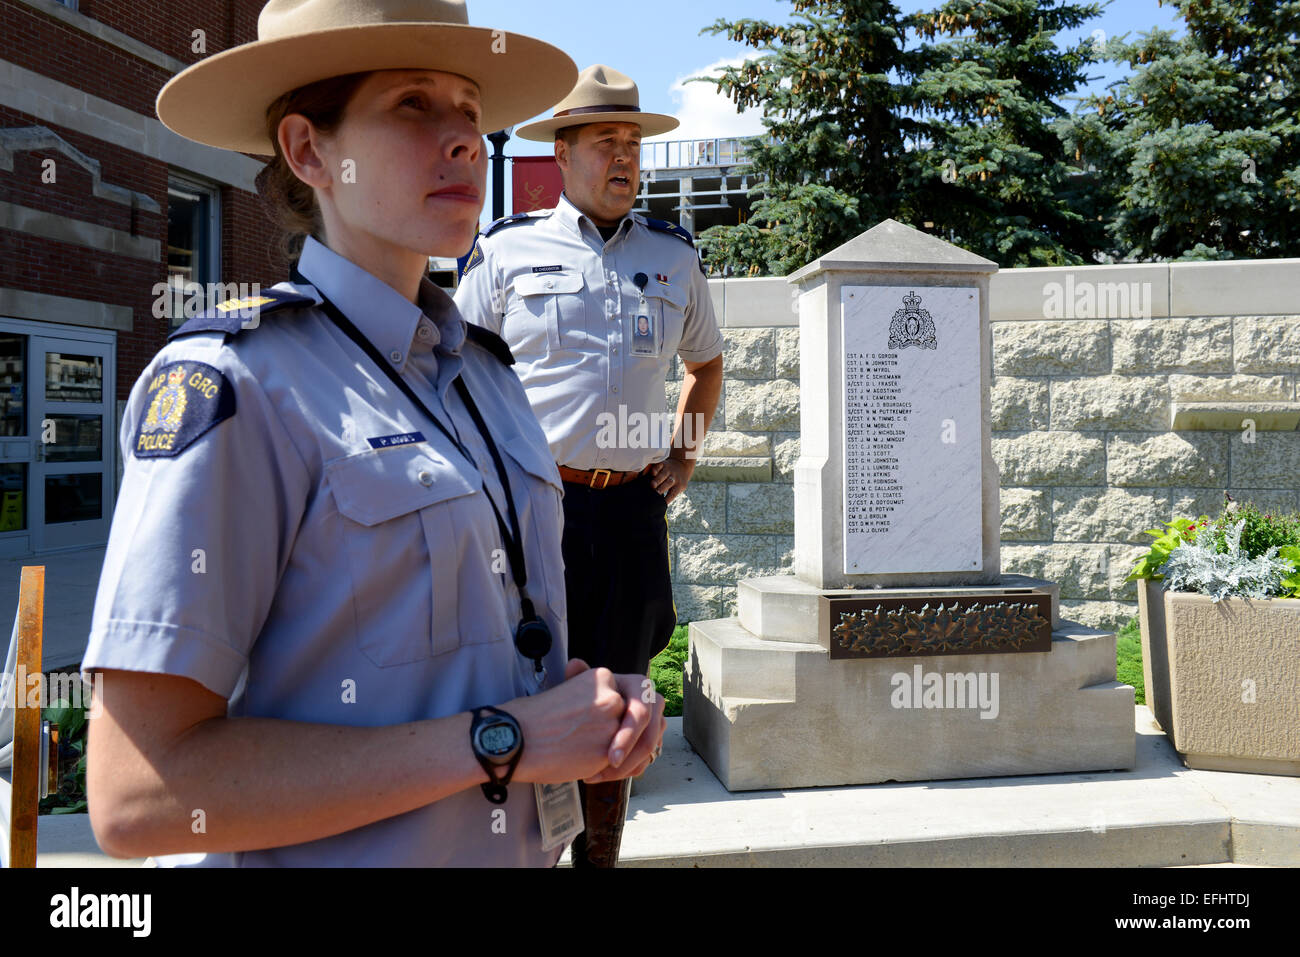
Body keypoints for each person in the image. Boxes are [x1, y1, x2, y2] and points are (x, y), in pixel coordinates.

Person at [81, 0, 664, 868]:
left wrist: (584, 708)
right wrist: (502, 738)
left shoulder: (491, 380)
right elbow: (140, 794)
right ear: (309, 151)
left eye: (469, 108)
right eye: (412, 105)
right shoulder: (239, 384)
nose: (464, 137)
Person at [453, 64, 724, 866]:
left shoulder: (673, 257)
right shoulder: (507, 249)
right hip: (535, 511)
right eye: (605, 142)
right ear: (562, 154)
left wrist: (683, 452)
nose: (624, 159)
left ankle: (598, 858)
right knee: (525, 689)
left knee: (624, 696)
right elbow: (455, 367)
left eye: (633, 144)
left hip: (631, 514)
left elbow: (706, 364)